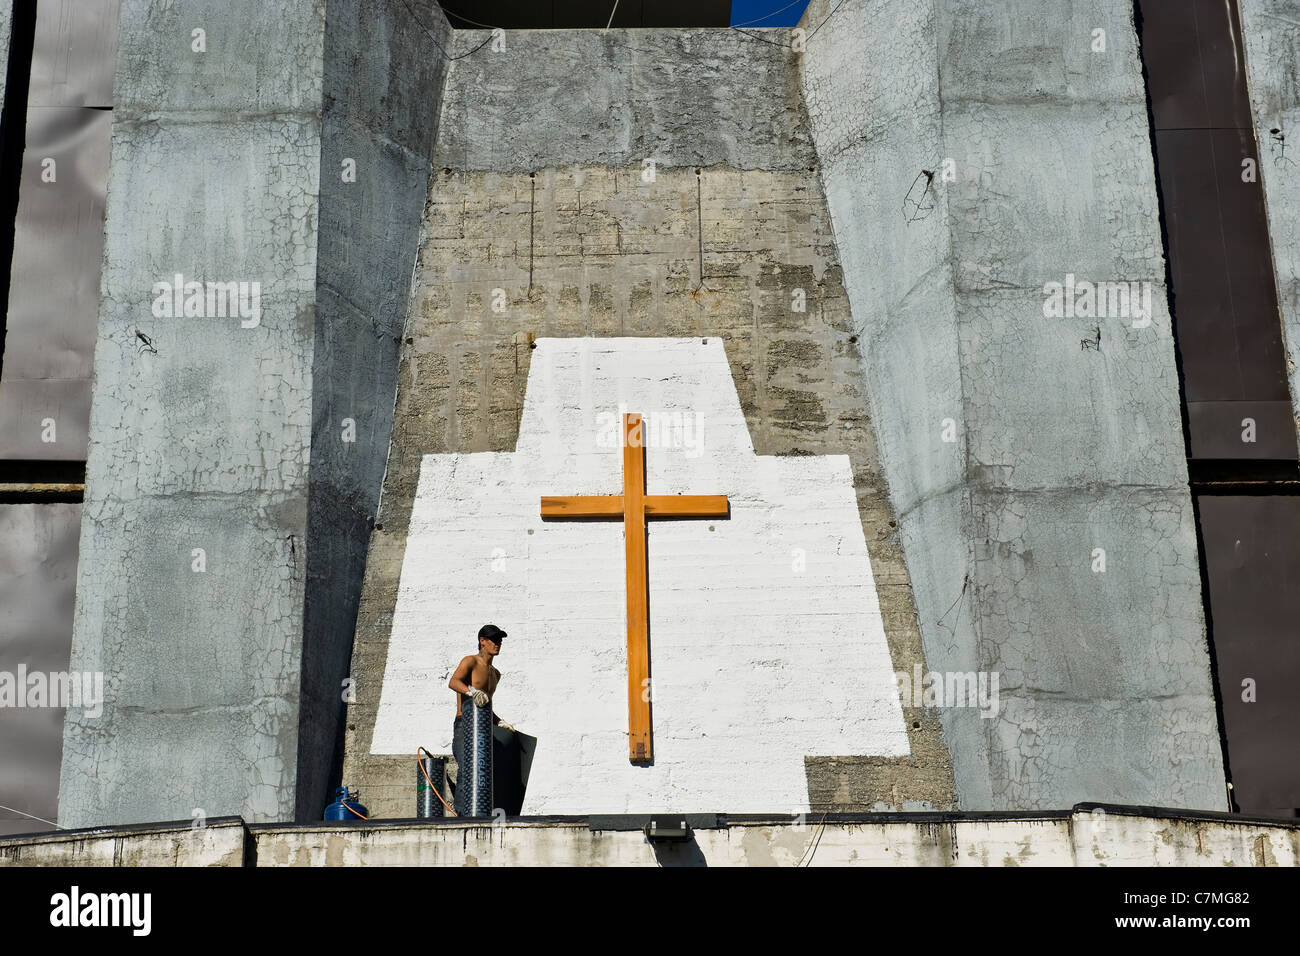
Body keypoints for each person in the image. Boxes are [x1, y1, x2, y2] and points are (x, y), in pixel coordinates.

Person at [449, 624, 512, 784]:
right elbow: (453, 682)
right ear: (482, 641)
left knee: (484, 774)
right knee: (468, 770)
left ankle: (479, 809)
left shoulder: (495, 674)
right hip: (466, 723)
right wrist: (471, 692)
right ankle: (461, 810)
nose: (498, 643)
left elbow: (484, 704)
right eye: (493, 639)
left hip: (484, 726)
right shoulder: (471, 661)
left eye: (500, 640)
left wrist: (499, 721)